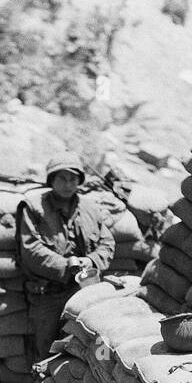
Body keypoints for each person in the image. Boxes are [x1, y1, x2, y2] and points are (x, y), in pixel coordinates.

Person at [16, 151, 116, 361]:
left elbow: (107, 243)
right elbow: (31, 249)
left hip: (86, 288)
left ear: (79, 181)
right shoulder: (33, 207)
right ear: (51, 180)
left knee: (99, 342)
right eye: (62, 178)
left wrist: (90, 261)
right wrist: (66, 264)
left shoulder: (91, 208)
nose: (68, 184)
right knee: (47, 351)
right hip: (49, 293)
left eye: (73, 179)